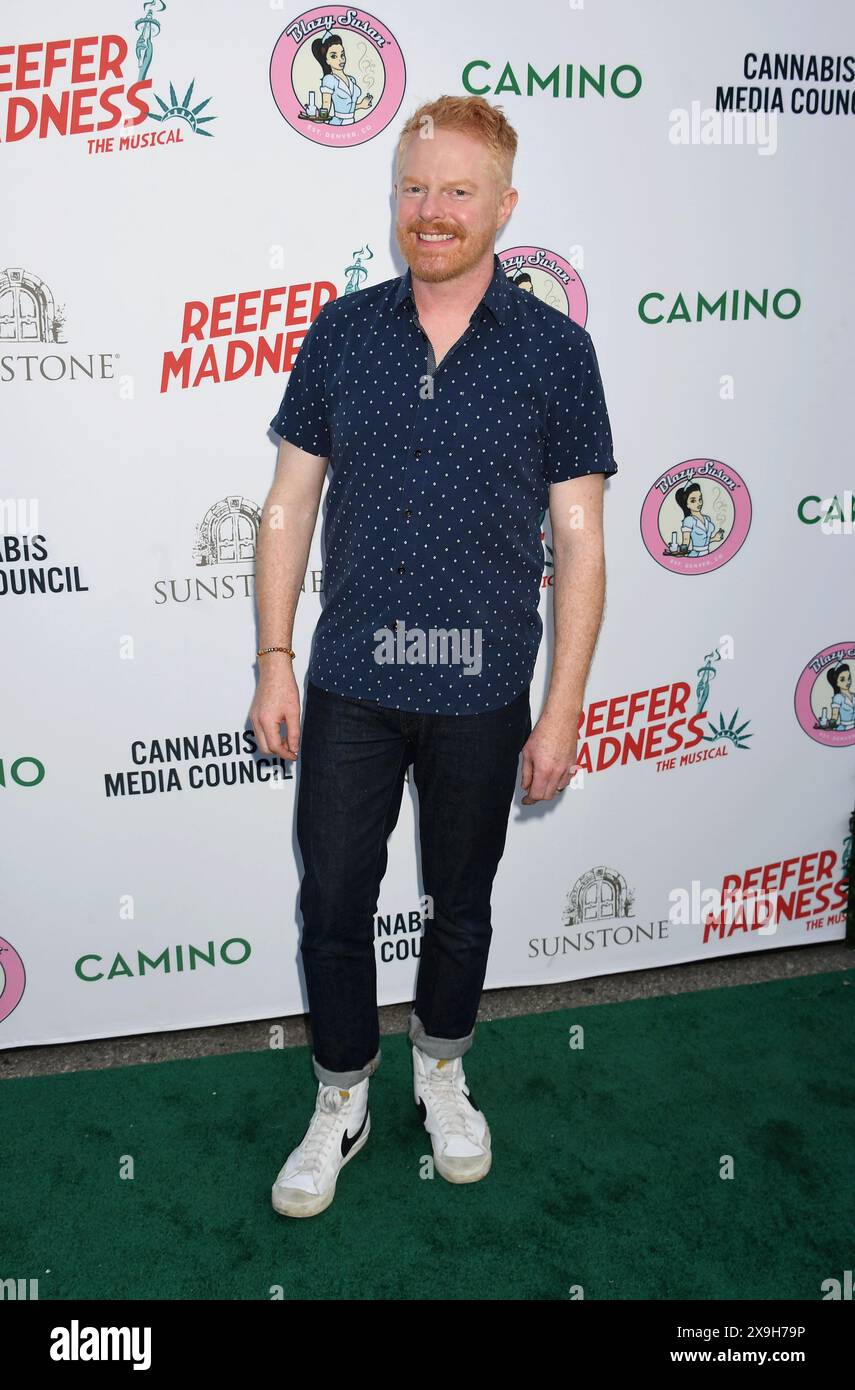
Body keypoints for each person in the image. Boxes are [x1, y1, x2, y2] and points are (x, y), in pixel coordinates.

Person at [251, 94, 619, 1218]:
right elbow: (287, 505)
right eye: (414, 188)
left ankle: (443, 1072)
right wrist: (274, 658)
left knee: (461, 902)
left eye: (459, 189)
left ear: (504, 205)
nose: (432, 210)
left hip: (482, 688)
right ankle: (341, 1093)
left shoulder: (556, 351)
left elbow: (581, 540)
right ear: (393, 198)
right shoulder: (343, 331)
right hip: (351, 682)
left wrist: (560, 710)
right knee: (333, 901)